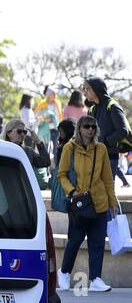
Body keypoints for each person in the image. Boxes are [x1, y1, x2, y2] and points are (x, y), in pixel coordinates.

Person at [56, 115, 117, 292]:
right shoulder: (69, 148)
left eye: (93, 126)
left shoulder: (101, 149)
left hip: (99, 202)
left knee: (97, 242)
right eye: (86, 126)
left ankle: (96, 278)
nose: (90, 129)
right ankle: (65, 272)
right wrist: (73, 192)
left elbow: (107, 179)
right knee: (75, 240)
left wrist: (112, 202)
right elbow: (62, 174)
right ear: (79, 129)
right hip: (79, 203)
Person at [83, 77, 130, 188]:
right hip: (94, 156)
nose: (85, 92)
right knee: (98, 194)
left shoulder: (112, 106)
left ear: (96, 89)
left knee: (108, 194)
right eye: (84, 89)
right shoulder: (92, 109)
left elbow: (123, 131)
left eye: (87, 89)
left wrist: (105, 141)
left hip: (110, 157)